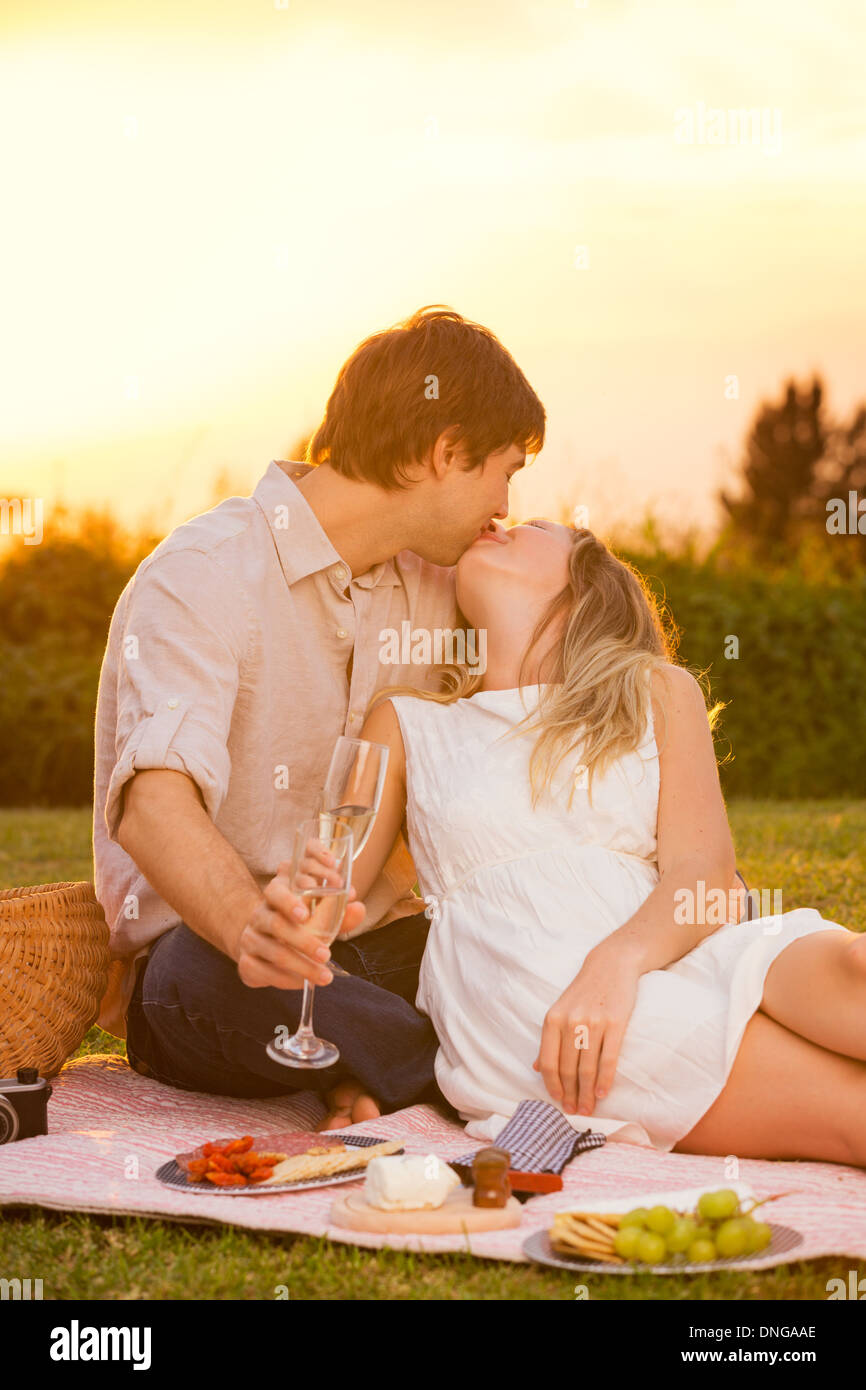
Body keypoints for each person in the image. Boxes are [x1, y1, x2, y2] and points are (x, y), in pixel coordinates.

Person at [92, 305, 545, 1128]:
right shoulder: (203, 574)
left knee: (519, 943)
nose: (504, 505)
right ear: (446, 451)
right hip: (221, 967)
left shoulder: (447, 586)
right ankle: (491, 1082)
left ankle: (372, 1068)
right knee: (198, 975)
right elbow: (153, 806)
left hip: (376, 953)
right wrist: (251, 927)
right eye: (503, 471)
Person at [326, 517, 866, 1164]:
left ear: (586, 582)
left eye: (533, 525)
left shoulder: (655, 690)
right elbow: (336, 892)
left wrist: (616, 963)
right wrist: (304, 902)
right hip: (538, 994)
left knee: (856, 969)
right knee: (853, 1111)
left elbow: (705, 872)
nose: (498, 521)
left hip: (668, 942)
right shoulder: (408, 723)